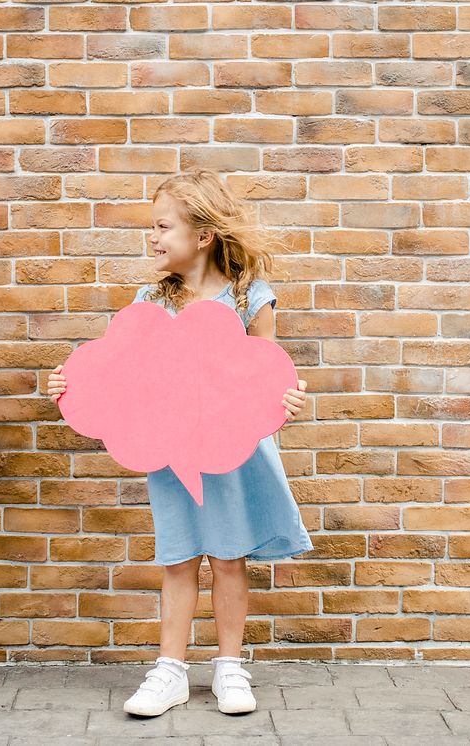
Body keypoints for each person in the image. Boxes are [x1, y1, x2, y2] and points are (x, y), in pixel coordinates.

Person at [47, 170, 310, 717]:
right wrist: (71, 386)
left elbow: (269, 374)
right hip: (172, 451)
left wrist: (287, 403)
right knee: (179, 557)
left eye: (164, 226)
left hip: (235, 452)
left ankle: (230, 667)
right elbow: (125, 378)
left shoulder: (251, 297)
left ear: (204, 234)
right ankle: (169, 670)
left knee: (230, 557)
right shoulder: (151, 300)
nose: (155, 237)